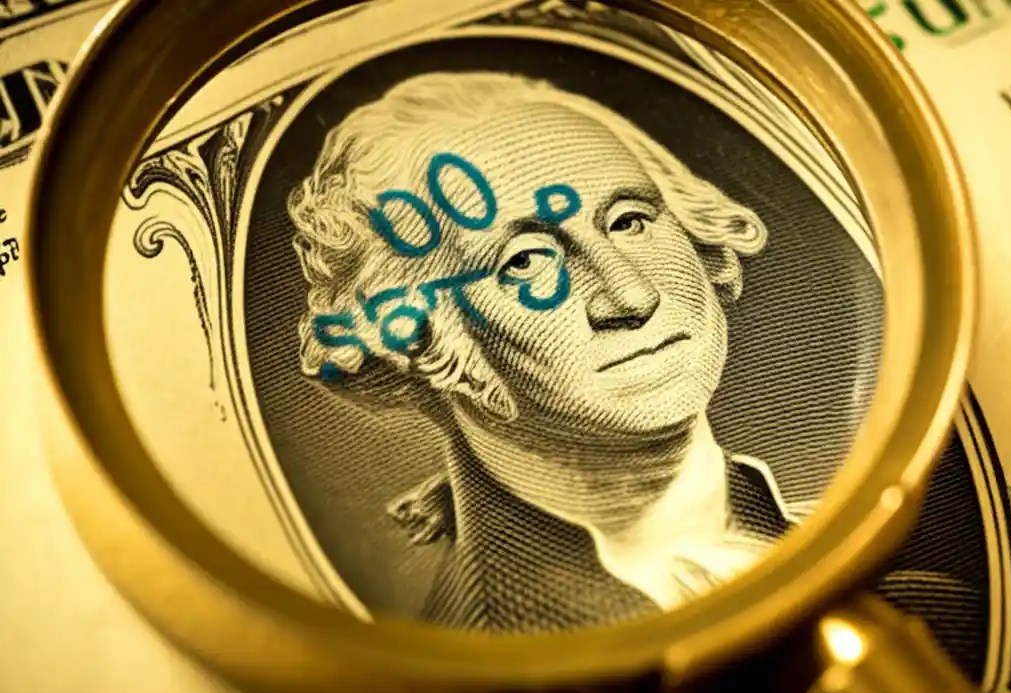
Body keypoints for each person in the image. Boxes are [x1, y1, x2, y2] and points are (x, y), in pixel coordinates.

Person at [286, 71, 811, 632]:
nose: (632, 295)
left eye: (629, 221)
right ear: (421, 336)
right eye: (524, 260)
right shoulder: (492, 655)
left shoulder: (867, 530)